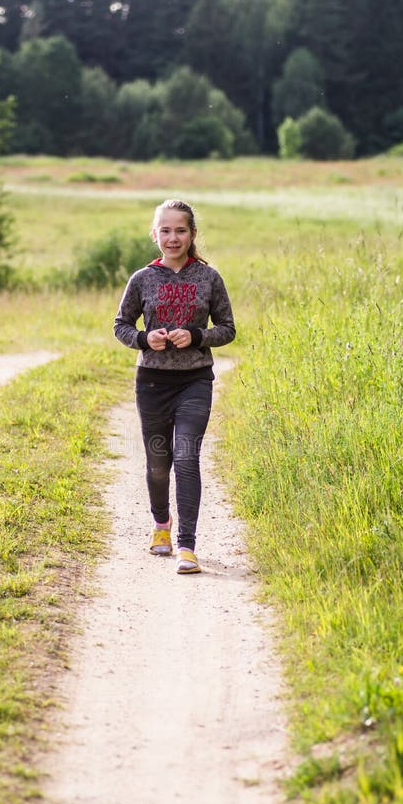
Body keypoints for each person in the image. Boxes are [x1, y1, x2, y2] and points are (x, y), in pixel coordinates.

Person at [114, 199, 236, 574]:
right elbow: (121, 325)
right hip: (152, 382)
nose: (172, 237)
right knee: (157, 463)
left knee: (186, 458)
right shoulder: (142, 279)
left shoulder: (209, 277)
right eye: (165, 231)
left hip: (195, 381)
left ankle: (187, 546)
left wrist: (197, 335)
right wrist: (142, 339)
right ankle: (161, 527)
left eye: (180, 230)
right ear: (155, 235)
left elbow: (228, 329)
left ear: (192, 234)